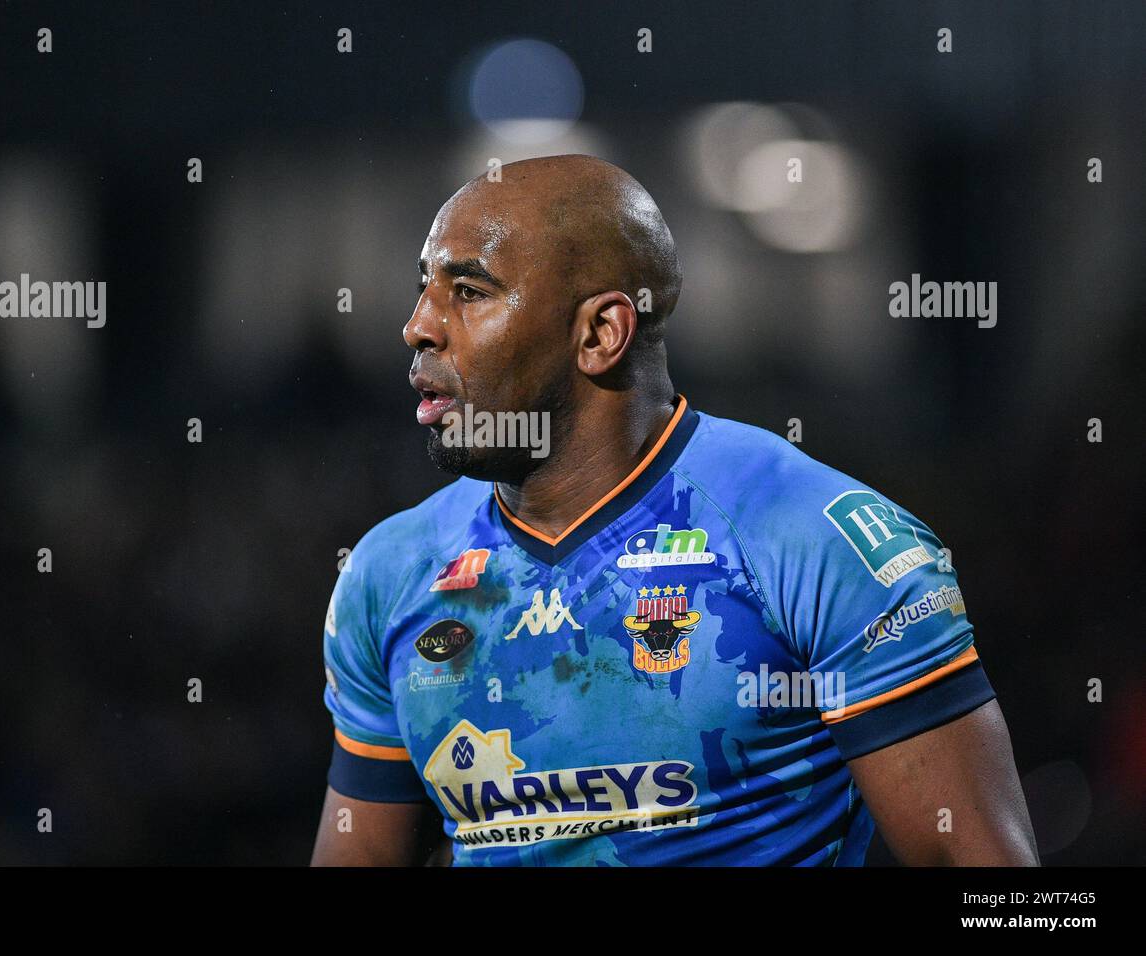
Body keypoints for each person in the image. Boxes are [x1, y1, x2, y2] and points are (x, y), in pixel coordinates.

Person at [311, 155, 1038, 866]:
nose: (417, 326)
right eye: (423, 288)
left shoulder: (816, 539)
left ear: (600, 334)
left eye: (467, 291)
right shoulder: (391, 572)